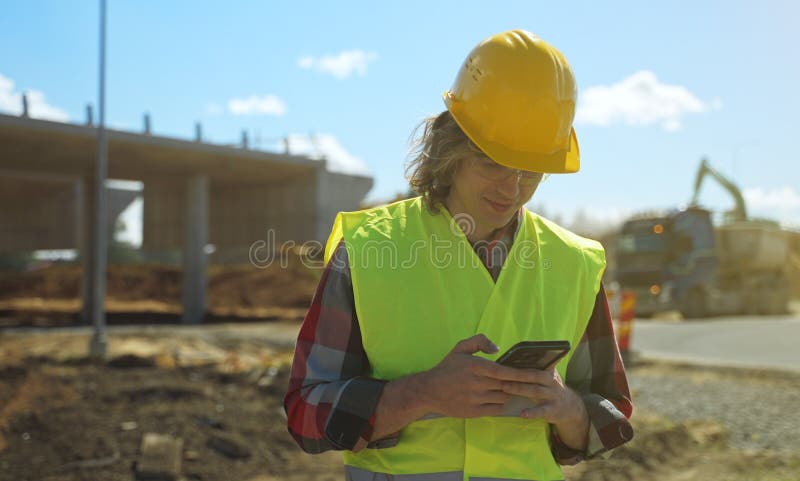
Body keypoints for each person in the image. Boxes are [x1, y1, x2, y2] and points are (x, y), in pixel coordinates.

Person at [284, 29, 633, 481]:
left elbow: (612, 414)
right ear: (450, 149)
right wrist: (420, 394)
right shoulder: (370, 249)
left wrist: (569, 412)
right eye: (492, 161)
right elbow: (304, 414)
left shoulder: (575, 262)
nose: (512, 189)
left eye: (530, 171)